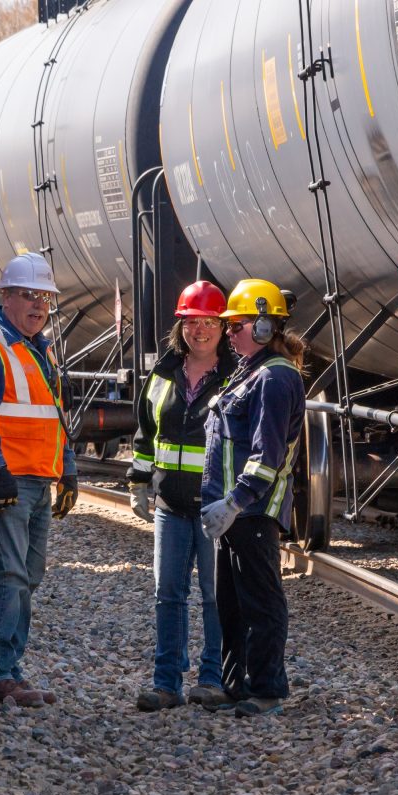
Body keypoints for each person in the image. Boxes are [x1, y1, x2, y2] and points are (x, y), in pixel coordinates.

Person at [0, 252, 78, 709]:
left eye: (44, 297)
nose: (38, 305)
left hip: (36, 478)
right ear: (5, 296)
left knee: (28, 574)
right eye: (28, 295)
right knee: (8, 573)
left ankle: (11, 667)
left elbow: (53, 414)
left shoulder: (38, 347)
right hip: (4, 479)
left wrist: (67, 469)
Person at [199, 278, 306, 717]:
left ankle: (266, 690)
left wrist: (236, 501)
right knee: (232, 602)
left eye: (236, 324)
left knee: (261, 602)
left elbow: (268, 455)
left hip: (253, 511)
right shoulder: (250, 373)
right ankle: (235, 684)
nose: (229, 333)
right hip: (235, 514)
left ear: (264, 326)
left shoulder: (276, 379)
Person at [128, 281, 237, 712]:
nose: (201, 331)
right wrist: (139, 482)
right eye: (193, 322)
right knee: (168, 595)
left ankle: (212, 679)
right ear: (181, 327)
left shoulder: (236, 375)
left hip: (214, 507)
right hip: (171, 506)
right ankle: (166, 683)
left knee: (215, 598)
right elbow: (145, 433)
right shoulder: (162, 374)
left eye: (211, 322)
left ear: (223, 328)